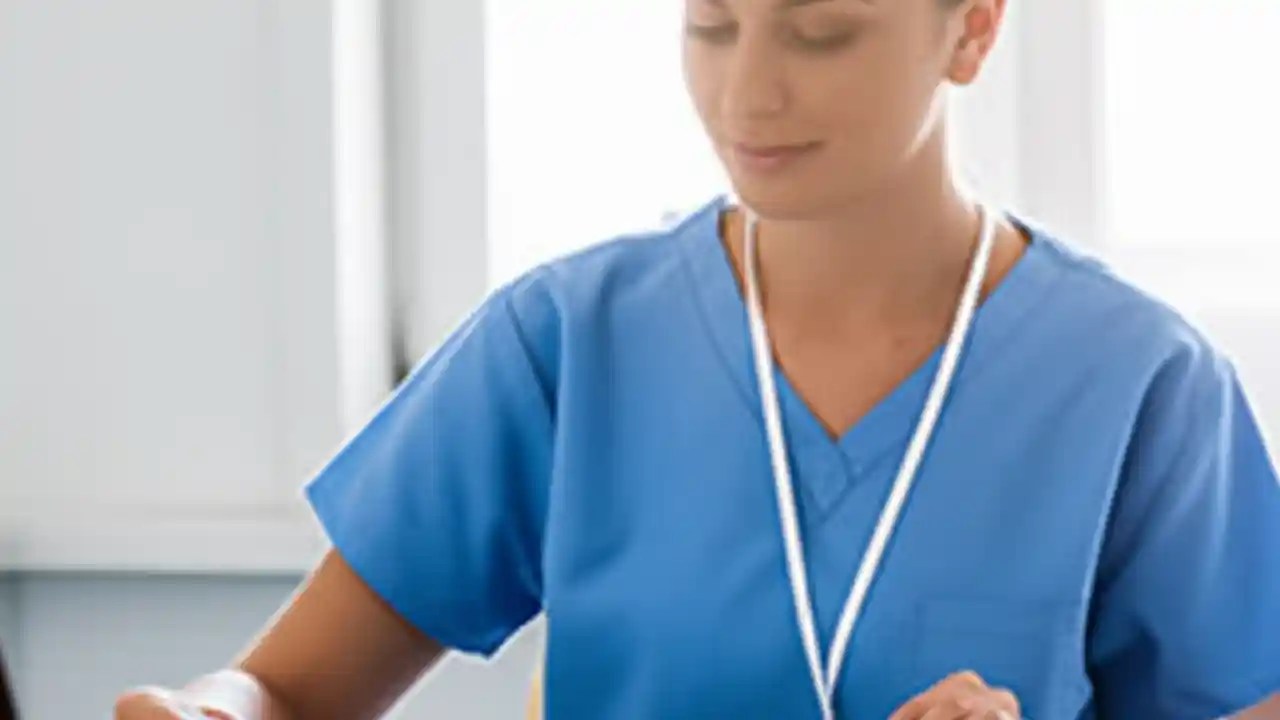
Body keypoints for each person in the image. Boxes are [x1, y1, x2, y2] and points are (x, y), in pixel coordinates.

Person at [115, 0, 1280, 718]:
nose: (746, 91)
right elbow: (288, 690)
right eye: (710, 22)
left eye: (820, 31)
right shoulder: (568, 343)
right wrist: (208, 710)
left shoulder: (1139, 387)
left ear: (971, 25)